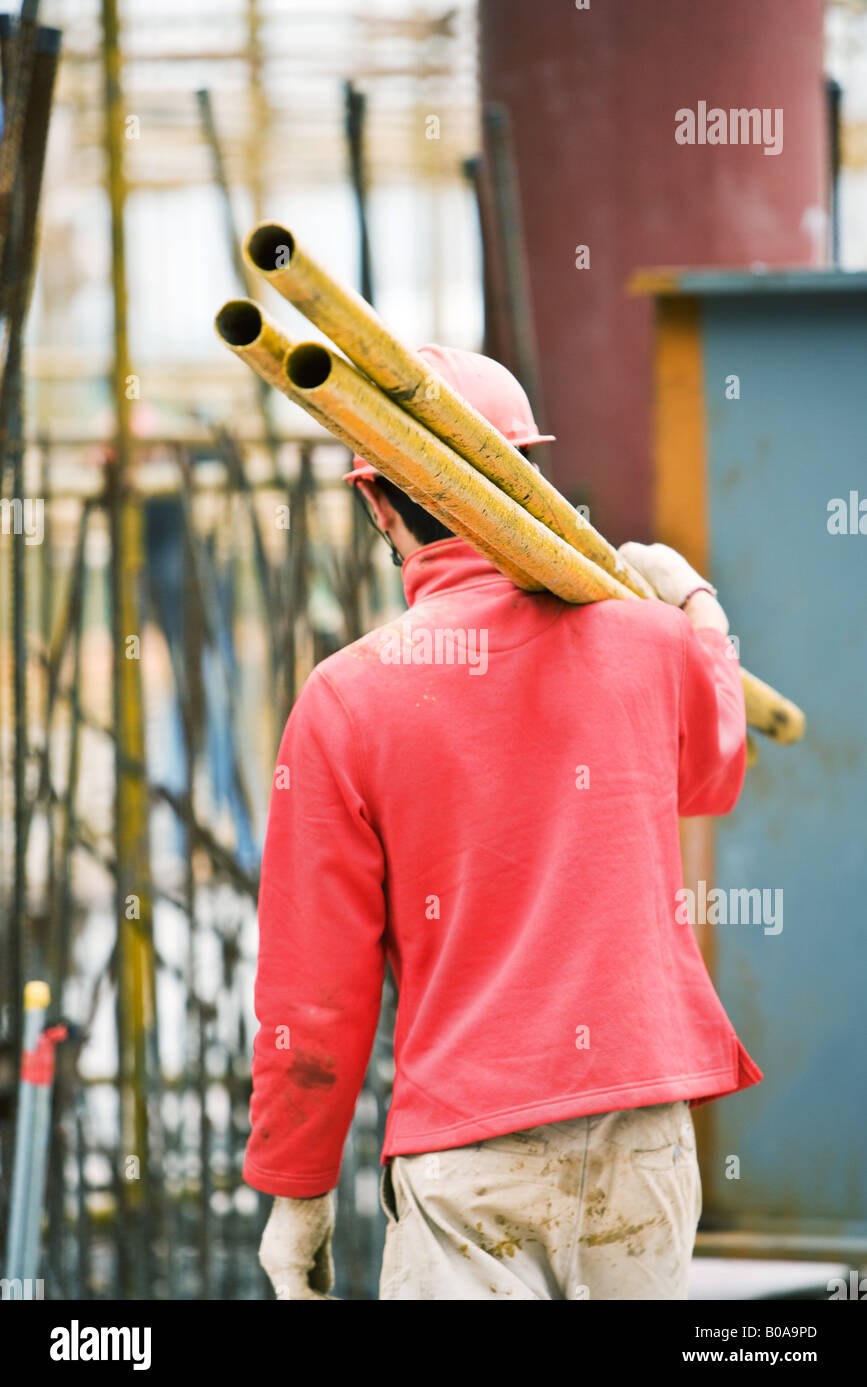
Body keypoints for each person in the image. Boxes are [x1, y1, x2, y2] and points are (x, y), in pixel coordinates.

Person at [244, 344, 761, 1301]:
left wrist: (296, 1190)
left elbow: (313, 993)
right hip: (643, 1130)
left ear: (377, 505)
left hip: (468, 1154)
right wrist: (692, 602)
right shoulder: (647, 643)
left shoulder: (347, 699)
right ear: (533, 474)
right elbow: (715, 769)